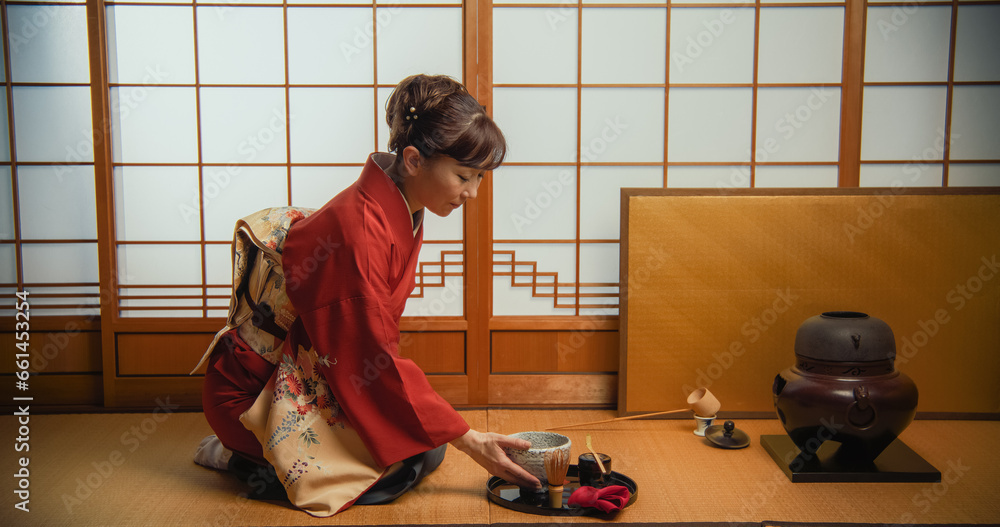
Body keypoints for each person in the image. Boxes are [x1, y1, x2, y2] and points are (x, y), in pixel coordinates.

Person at [194, 74, 540, 517]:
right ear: (414, 160)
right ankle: (239, 456)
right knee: (391, 475)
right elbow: (368, 353)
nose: (472, 193)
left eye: (478, 178)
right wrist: (470, 439)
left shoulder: (402, 205)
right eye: (464, 176)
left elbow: (366, 349)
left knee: (424, 451)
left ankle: (262, 456)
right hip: (254, 393)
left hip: (315, 371)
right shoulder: (356, 229)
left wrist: (449, 433)